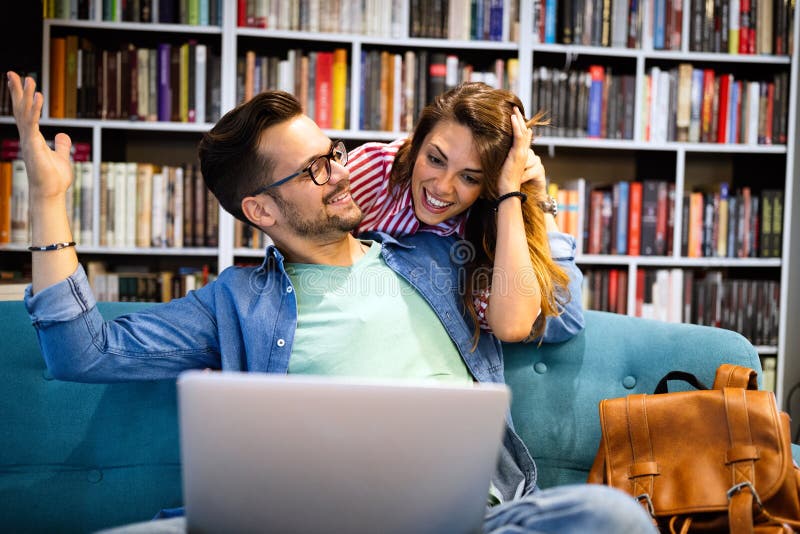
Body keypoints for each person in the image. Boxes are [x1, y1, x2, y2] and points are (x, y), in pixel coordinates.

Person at [9, 72, 655, 533]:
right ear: (260, 209)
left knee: (609, 516)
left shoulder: (435, 258)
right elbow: (81, 353)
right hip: (308, 518)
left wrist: (523, 193)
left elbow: (557, 315)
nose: (345, 172)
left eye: (334, 155)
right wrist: (46, 199)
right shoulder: (235, 303)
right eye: (317, 169)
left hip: (471, 517)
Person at [347, 82, 583, 345]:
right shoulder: (375, 170)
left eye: (469, 177)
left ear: (488, 186)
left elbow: (557, 319)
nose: (442, 187)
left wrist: (525, 198)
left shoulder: (493, 217)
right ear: (416, 144)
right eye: (435, 160)